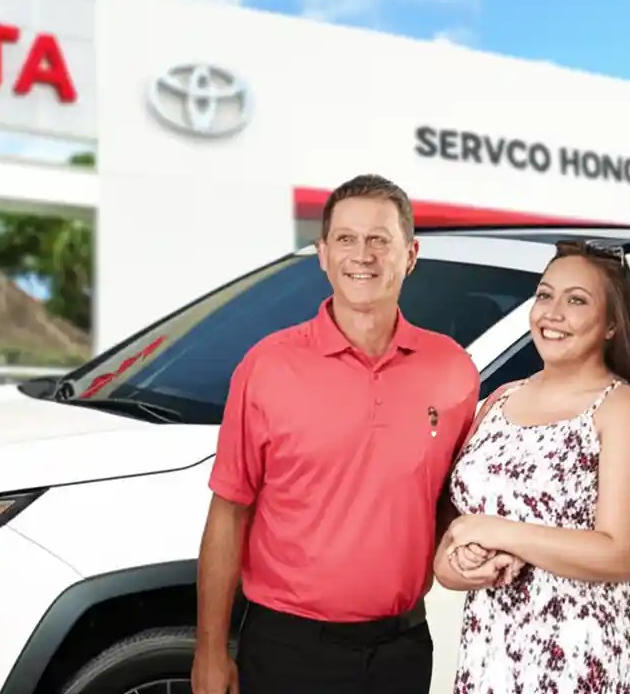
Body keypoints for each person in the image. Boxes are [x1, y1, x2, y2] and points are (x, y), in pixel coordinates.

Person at [191, 173, 512, 694]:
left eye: (379, 240)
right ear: (322, 254)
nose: (362, 255)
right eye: (346, 239)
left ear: (410, 254)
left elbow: (448, 503)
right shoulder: (267, 367)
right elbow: (229, 511)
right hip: (287, 649)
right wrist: (209, 651)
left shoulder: (454, 371)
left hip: (402, 649)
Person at [440, 238, 630, 693]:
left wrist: (497, 532)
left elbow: (623, 554)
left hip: (578, 656)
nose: (552, 313)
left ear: (610, 325)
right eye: (545, 295)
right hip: (490, 653)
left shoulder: (622, 409)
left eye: (577, 300)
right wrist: (459, 567)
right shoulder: (499, 400)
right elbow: (453, 537)